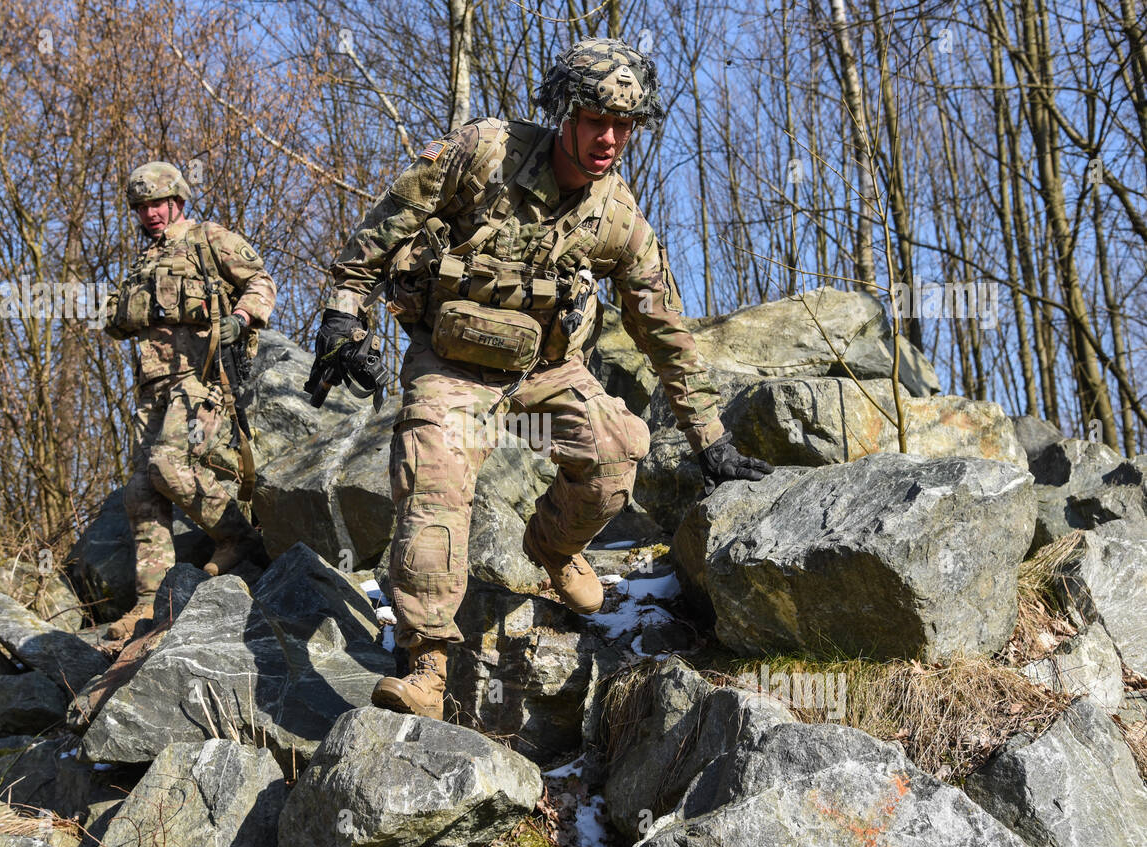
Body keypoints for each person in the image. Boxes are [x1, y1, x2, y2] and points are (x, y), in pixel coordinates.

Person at [317, 38, 772, 719]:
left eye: (625, 126)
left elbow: (661, 325)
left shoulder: (615, 216)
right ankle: (428, 664)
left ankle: (554, 546)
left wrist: (710, 437)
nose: (610, 138)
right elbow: (383, 228)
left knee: (620, 447)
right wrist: (340, 316)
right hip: (454, 367)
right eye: (597, 120)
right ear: (566, 113)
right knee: (434, 476)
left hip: (545, 371)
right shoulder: (484, 154)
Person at [102, 162, 276, 643]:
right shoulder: (141, 262)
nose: (150, 214)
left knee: (168, 463)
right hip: (152, 387)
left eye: (157, 203)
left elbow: (261, 280)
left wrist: (242, 318)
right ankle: (148, 601)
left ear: (177, 201)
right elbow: (117, 321)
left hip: (202, 378)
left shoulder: (207, 238)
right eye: (141, 207)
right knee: (140, 491)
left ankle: (239, 538)